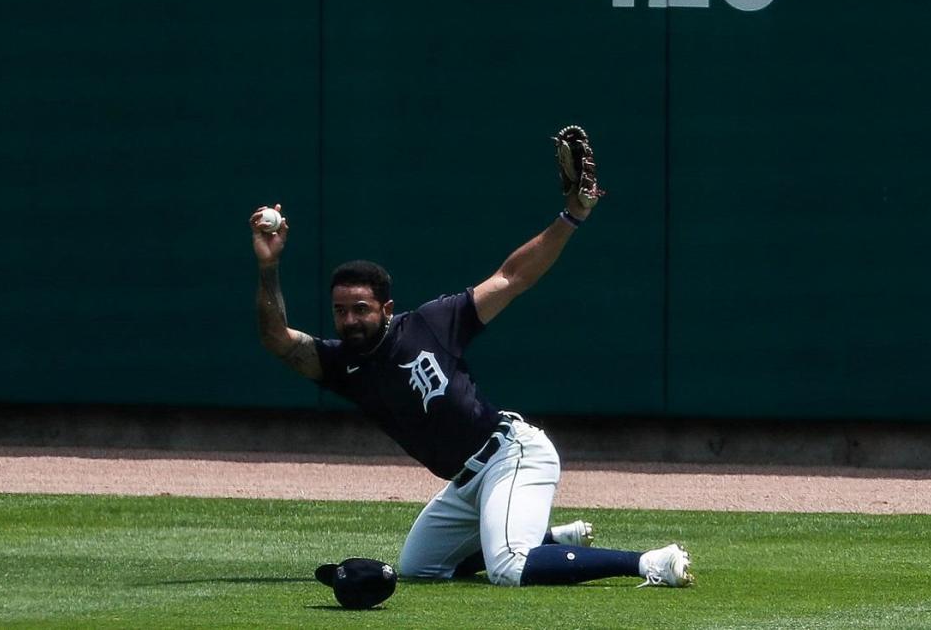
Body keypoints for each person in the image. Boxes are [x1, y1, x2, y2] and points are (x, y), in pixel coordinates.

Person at [249, 189, 694, 588]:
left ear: (386, 308)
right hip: (464, 484)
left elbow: (511, 276)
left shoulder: (429, 323)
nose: (348, 320)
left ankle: (649, 562)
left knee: (510, 567)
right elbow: (277, 339)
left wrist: (572, 215)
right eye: (340, 311)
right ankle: (549, 539)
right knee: (419, 568)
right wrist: (269, 266)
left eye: (360, 309)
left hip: (510, 453)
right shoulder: (341, 363)